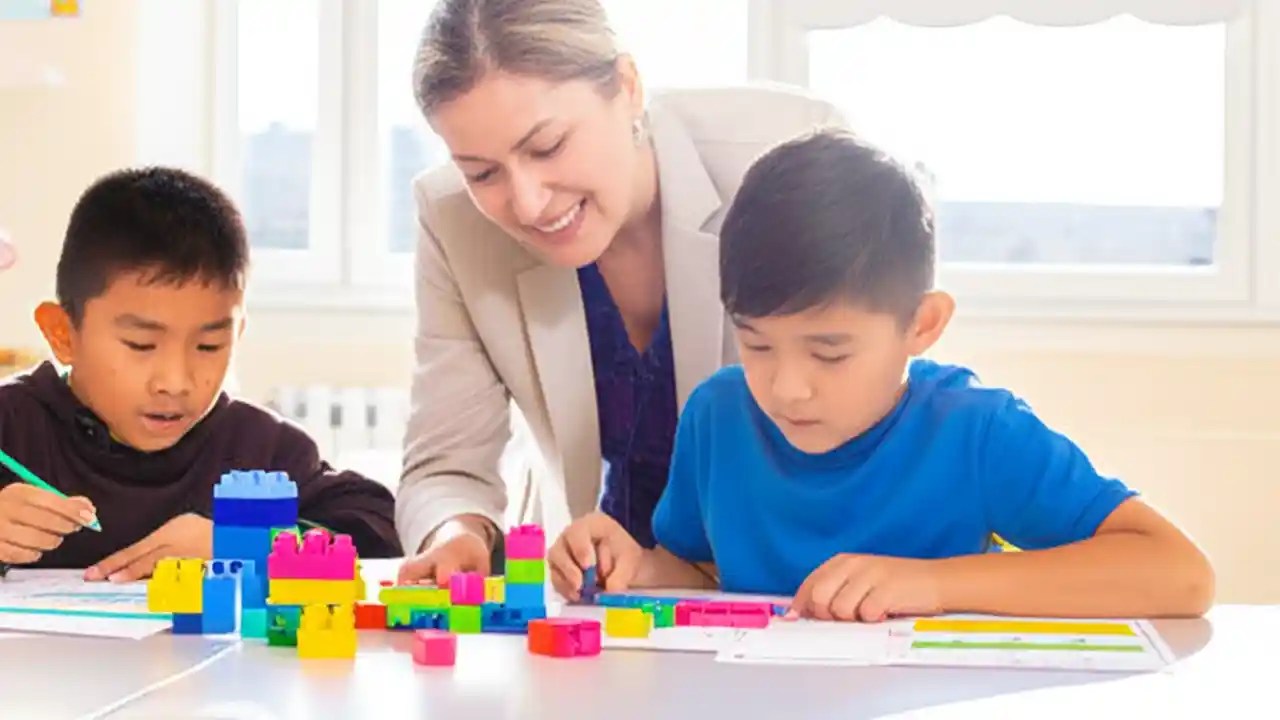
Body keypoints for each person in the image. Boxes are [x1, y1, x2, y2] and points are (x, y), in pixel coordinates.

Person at [547, 130, 1216, 621]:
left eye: (829, 353)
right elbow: (699, 572)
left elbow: (1179, 575)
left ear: (922, 325)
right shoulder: (718, 415)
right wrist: (634, 565)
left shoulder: (975, 430)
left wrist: (934, 584)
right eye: (756, 344)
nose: (787, 388)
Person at [395, 0, 848, 583]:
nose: (528, 202)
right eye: (483, 173)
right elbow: (445, 463)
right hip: (593, 602)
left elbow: (870, 407)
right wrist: (455, 533)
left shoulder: (791, 159)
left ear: (628, 87)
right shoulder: (453, 219)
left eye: (548, 146)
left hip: (784, 587)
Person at [0, 167, 403, 581]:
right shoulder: (11, 428)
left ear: (237, 332)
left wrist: (241, 543)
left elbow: (380, 532)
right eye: (141, 345)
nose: (176, 382)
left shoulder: (261, 449)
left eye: (209, 346)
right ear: (63, 334)